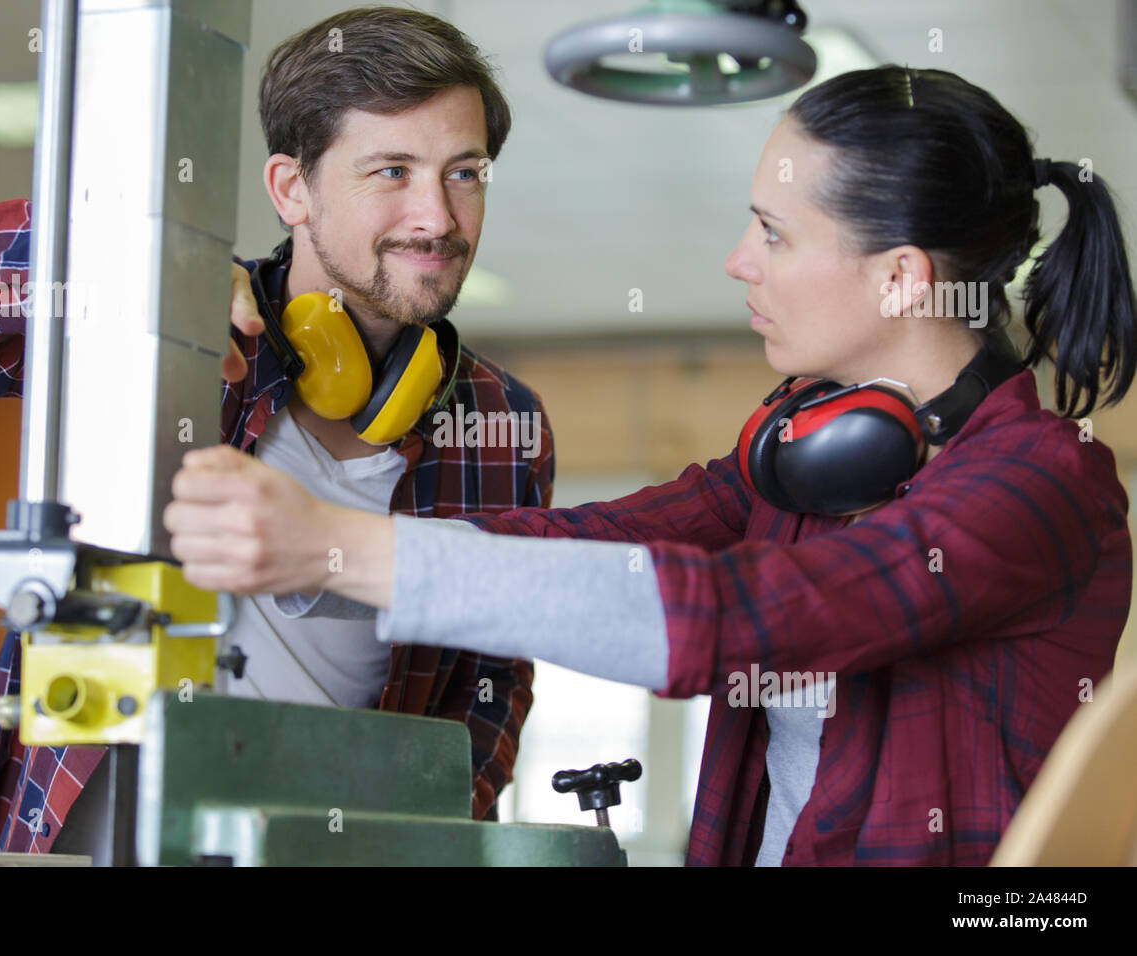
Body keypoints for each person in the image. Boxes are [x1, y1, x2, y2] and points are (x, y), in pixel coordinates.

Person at [165, 66, 1136, 866]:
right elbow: (605, 536)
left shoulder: (1044, 482)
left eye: (773, 231)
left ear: (900, 276)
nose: (737, 261)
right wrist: (318, 547)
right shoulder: (801, 445)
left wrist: (336, 552)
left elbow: (740, 613)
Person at [0, 6, 554, 853]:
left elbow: (494, 682)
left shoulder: (503, 423)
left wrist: (418, 838)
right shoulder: (163, 333)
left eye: (464, 172)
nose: (436, 216)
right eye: (392, 171)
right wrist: (126, 262)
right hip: (97, 839)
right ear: (292, 188)